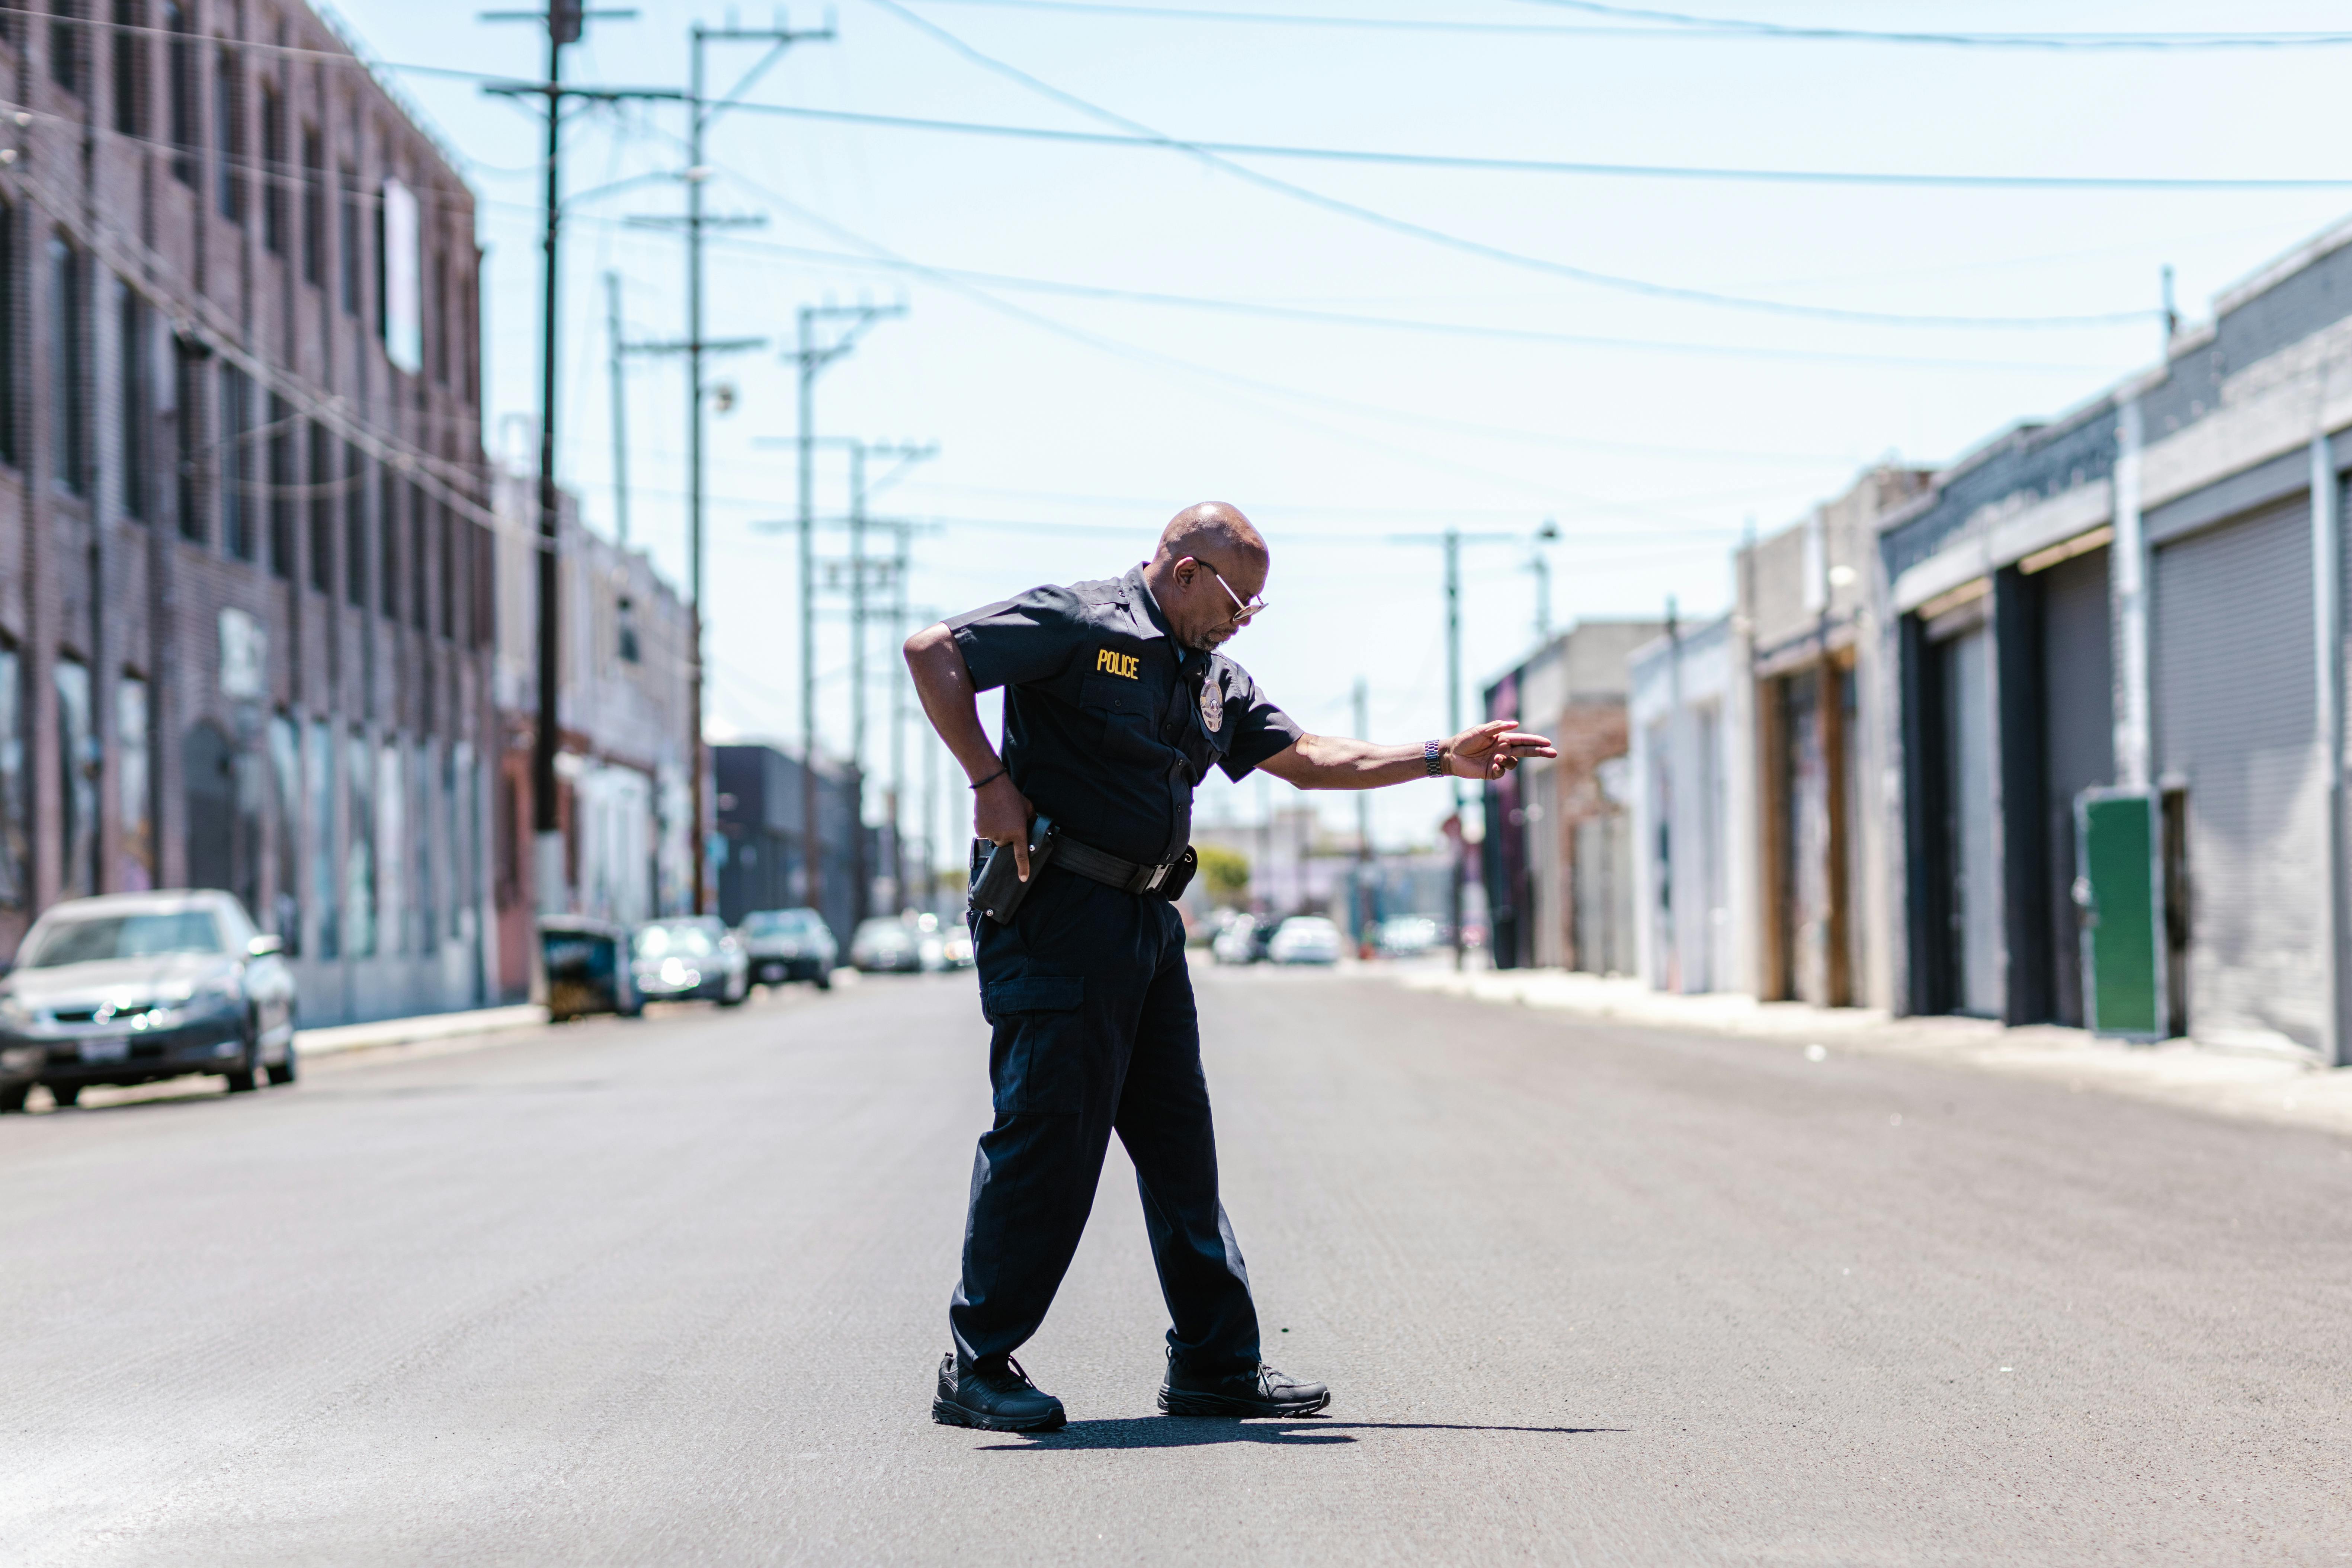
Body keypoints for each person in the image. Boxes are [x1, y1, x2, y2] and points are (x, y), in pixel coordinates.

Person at [904, 501, 1555, 1433]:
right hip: (1055, 909)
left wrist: (1435, 758)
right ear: (1184, 573)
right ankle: (976, 1361)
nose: (1242, 620)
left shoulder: (1212, 678)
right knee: (1049, 1138)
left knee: (1180, 1148)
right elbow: (934, 652)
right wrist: (987, 779)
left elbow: (1309, 757)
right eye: (1236, 602)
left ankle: (1214, 1363)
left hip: (1146, 920)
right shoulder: (1079, 619)